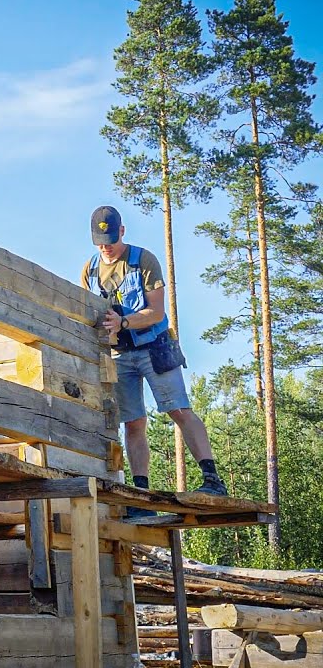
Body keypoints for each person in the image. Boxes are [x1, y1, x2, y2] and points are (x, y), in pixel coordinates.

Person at [80, 206, 228, 503]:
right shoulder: (90, 270)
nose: (105, 247)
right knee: (133, 422)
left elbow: (156, 311)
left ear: (122, 231)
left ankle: (212, 478)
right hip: (120, 356)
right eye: (100, 241)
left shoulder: (143, 260)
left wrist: (123, 322)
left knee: (179, 409)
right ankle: (141, 494)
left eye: (110, 239)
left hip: (154, 348)